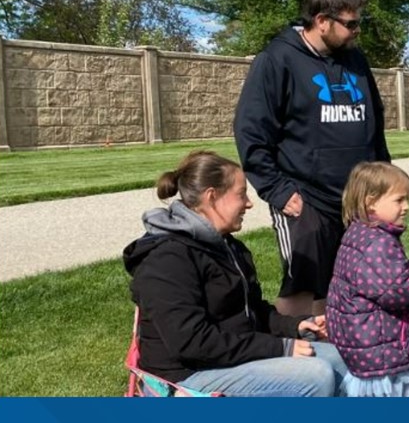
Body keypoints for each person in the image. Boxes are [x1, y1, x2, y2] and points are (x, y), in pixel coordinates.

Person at [123, 150, 352, 397]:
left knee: (341, 359)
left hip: (229, 359)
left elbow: (252, 312)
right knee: (316, 377)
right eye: (242, 194)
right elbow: (192, 343)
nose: (249, 203)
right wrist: (280, 348)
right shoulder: (167, 259)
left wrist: (297, 326)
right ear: (212, 197)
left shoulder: (229, 247)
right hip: (186, 377)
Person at [234, 0, 391, 317]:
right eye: (350, 24)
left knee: (346, 279)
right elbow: (251, 130)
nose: (356, 31)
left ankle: (337, 349)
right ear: (322, 20)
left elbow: (374, 120)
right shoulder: (277, 59)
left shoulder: (355, 60)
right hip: (305, 197)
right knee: (303, 286)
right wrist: (276, 189)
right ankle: (292, 355)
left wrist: (383, 176)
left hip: (357, 195)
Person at [326, 162, 409, 397]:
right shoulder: (379, 242)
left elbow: (387, 276)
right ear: (370, 201)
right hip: (381, 355)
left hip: (365, 347)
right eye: (399, 200)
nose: (406, 207)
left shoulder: (361, 231)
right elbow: (401, 292)